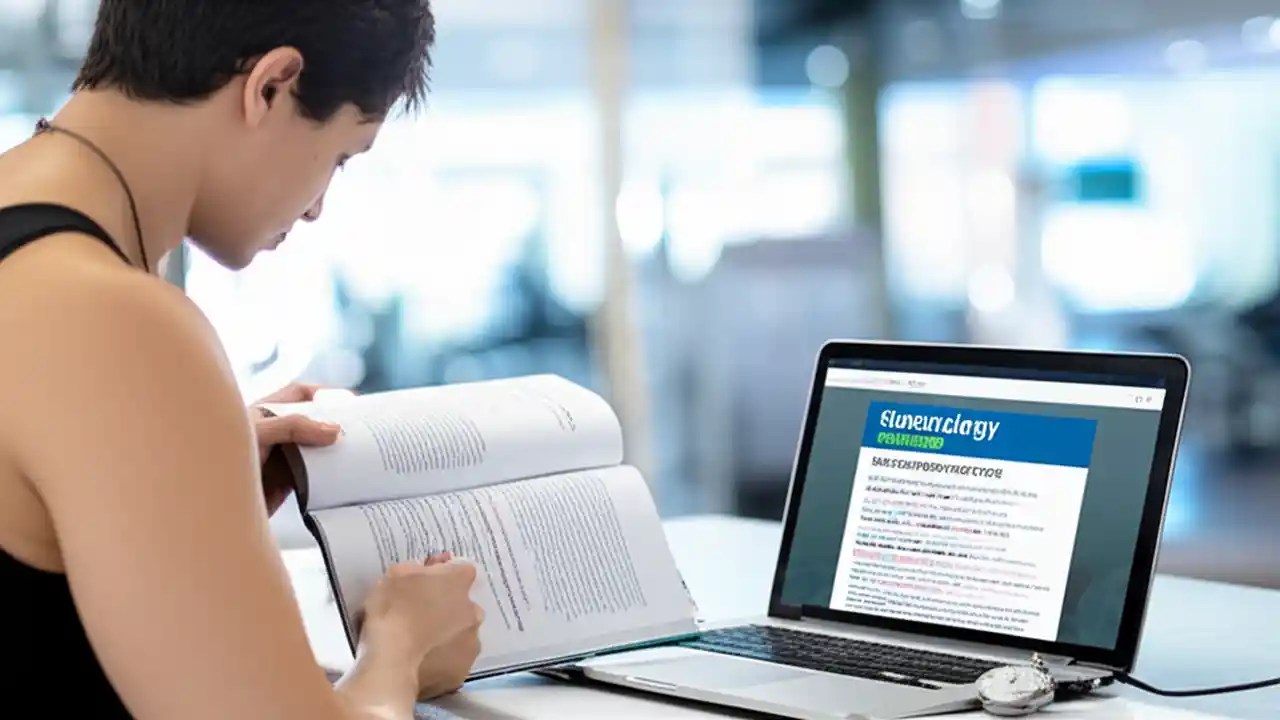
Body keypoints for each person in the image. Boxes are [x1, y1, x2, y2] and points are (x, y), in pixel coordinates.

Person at [0, 2, 484, 718]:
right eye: (342, 154)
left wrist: (194, 480)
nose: (319, 206)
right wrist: (404, 649)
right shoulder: (117, 320)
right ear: (272, 85)